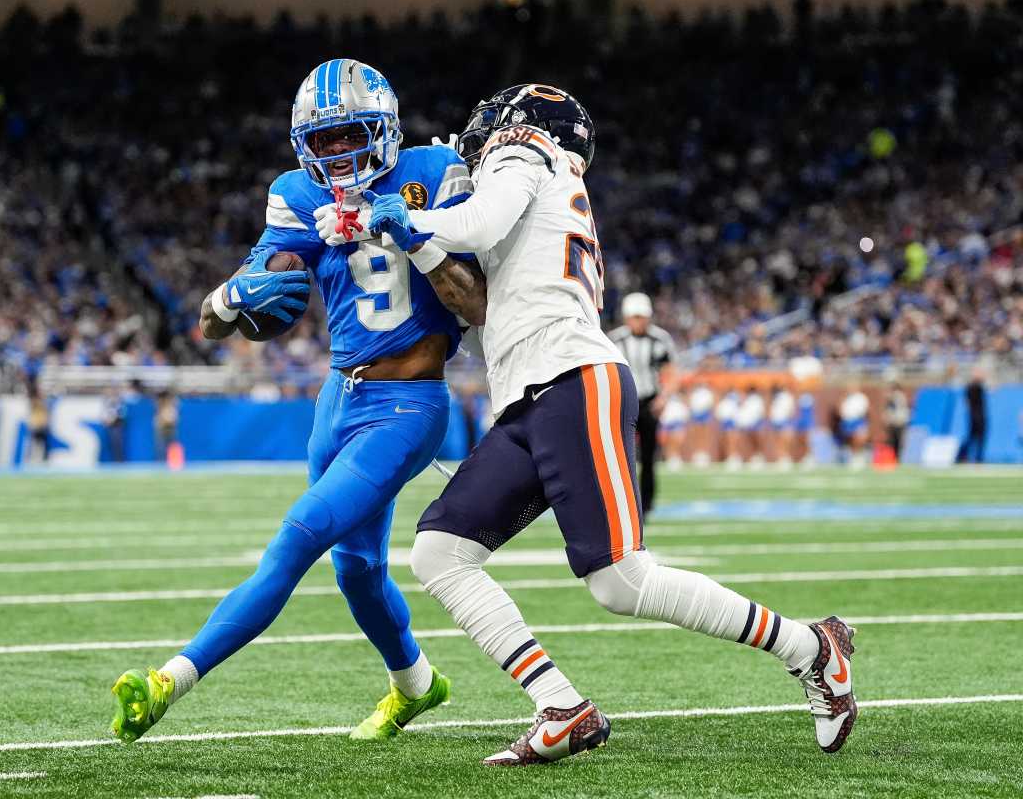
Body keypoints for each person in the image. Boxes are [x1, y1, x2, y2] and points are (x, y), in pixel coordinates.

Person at [361, 84, 857, 766]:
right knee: (440, 551)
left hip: (572, 378)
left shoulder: (524, 152)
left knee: (620, 578)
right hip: (530, 395)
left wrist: (412, 220)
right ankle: (561, 706)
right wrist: (409, 233)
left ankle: (811, 648)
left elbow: (475, 225)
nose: (479, 139)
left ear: (521, 126)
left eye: (490, 128)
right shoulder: (545, 175)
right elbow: (477, 285)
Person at [109, 59, 486, 745]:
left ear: (385, 128)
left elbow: (479, 302)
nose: (339, 151)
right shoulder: (296, 194)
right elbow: (219, 314)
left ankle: (171, 678)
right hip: (335, 402)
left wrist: (421, 237)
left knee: (302, 535)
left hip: (409, 403)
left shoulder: (432, 172)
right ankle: (417, 684)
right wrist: (231, 296)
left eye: (352, 134)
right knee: (357, 570)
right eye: (326, 138)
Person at [608, 292, 677, 513]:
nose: (639, 321)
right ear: (627, 317)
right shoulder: (615, 339)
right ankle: (619, 504)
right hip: (622, 402)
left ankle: (645, 506)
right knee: (618, 456)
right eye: (635, 317)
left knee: (648, 457)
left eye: (642, 317)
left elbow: (671, 371)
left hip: (649, 401)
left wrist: (664, 397)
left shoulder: (660, 338)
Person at [961, 371, 988, 463]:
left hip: (977, 416)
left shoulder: (973, 387)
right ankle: (966, 456)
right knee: (974, 437)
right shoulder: (974, 387)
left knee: (976, 438)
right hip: (976, 417)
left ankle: (974, 457)